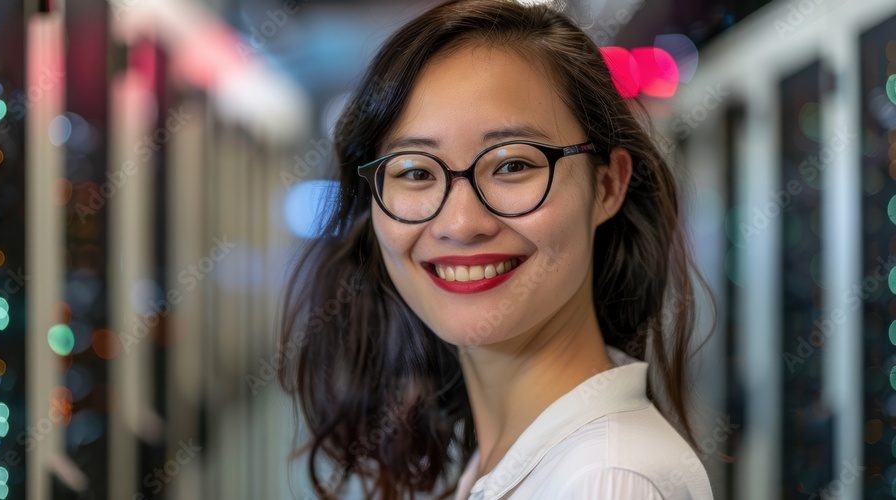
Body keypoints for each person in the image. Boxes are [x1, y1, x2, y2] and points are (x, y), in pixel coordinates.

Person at [278, 0, 715, 498]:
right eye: (415, 172)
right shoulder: (517, 456)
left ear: (608, 186)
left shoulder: (607, 482)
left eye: (512, 165)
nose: (461, 224)